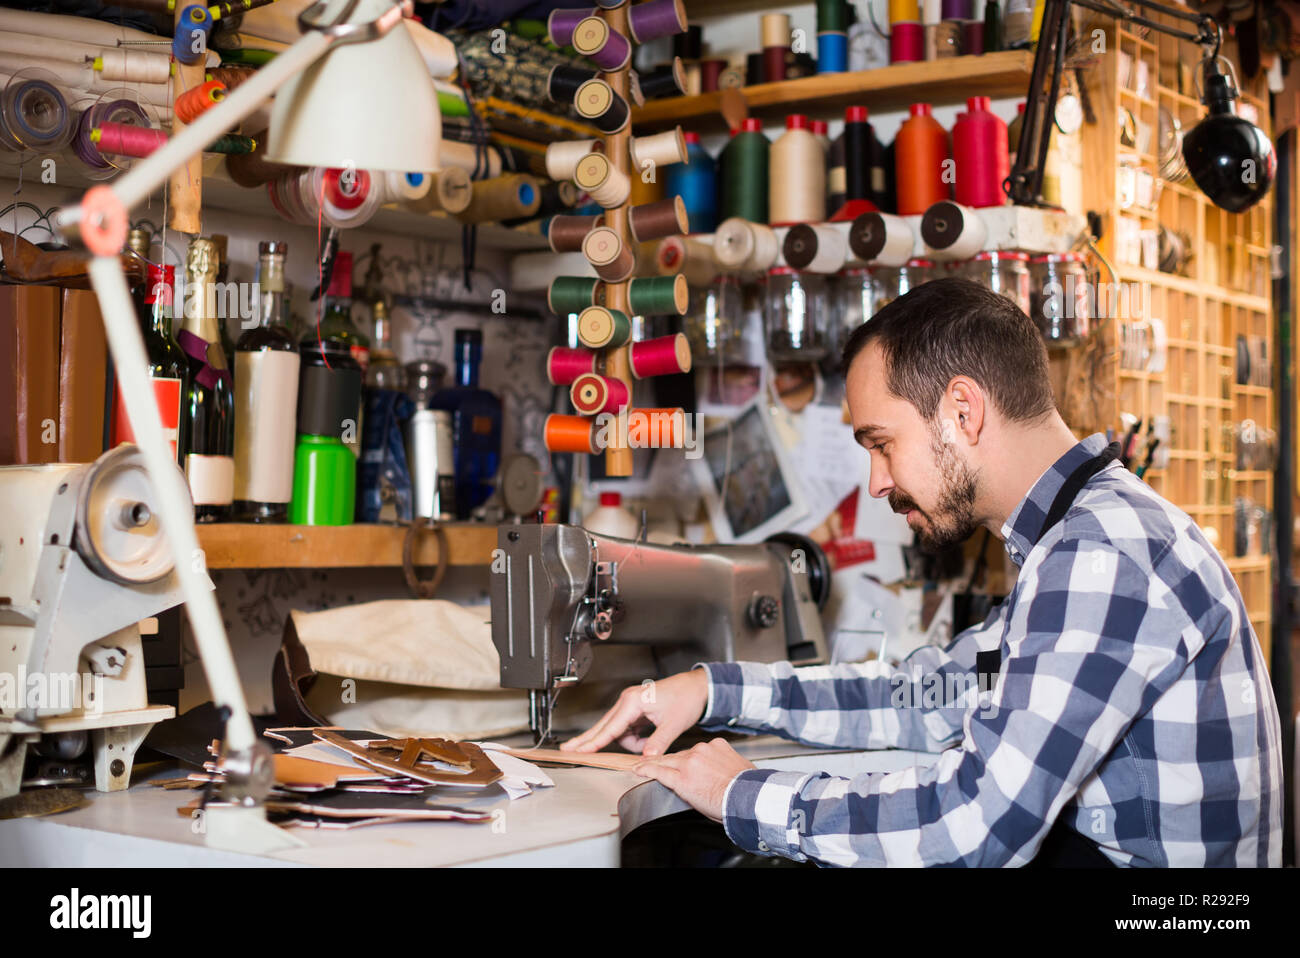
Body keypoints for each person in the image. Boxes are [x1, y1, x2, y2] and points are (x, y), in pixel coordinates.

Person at [562, 278, 1284, 867]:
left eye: (882, 443)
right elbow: (924, 693)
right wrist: (712, 689)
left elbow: (978, 825)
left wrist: (746, 794)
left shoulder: (1101, 555)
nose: (876, 482)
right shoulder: (1077, 536)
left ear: (961, 409)